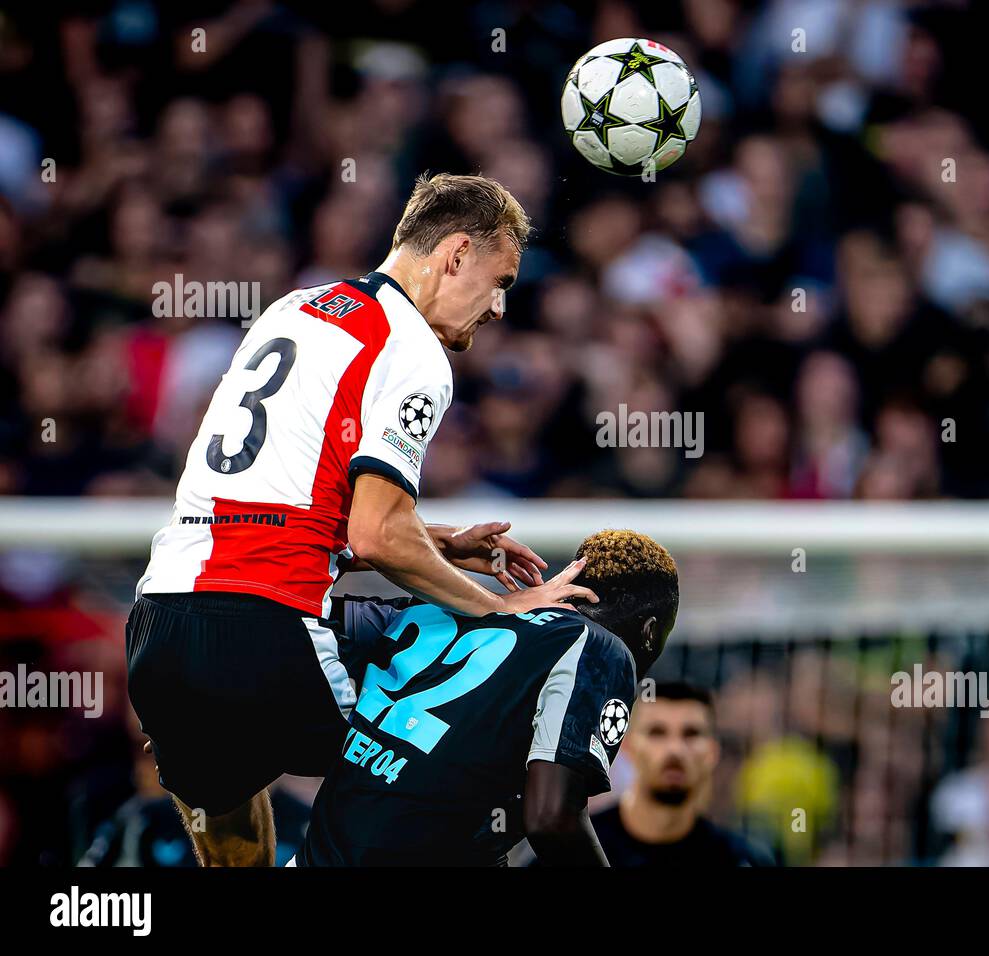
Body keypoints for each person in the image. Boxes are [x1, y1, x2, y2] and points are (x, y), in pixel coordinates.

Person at [125, 172, 597, 867]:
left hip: (160, 629)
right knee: (471, 783)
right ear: (457, 254)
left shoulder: (294, 308)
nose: (498, 307)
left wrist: (434, 541)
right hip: (268, 628)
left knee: (233, 854)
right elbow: (376, 533)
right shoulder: (412, 351)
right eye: (500, 280)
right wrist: (503, 608)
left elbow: (280, 501)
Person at [295, 530, 678, 866]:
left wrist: (432, 545)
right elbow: (550, 819)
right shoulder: (602, 650)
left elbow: (299, 613)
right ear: (649, 632)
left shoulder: (449, 605)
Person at [590, 681, 775, 866]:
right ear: (627, 747)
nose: (675, 750)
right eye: (657, 733)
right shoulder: (581, 847)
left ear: (712, 752)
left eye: (691, 734)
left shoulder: (744, 859)